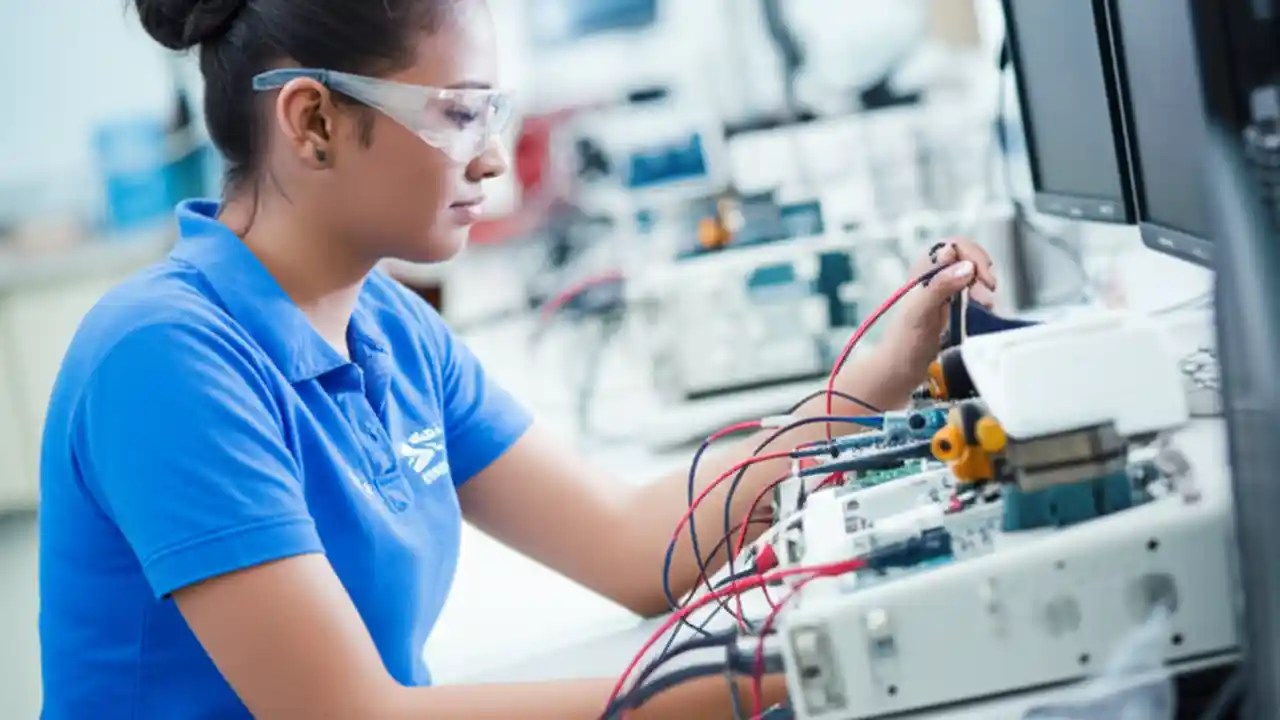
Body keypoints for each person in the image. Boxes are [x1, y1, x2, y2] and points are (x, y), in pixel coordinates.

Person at [36, 1, 998, 718]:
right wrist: (806, 667)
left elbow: (633, 547)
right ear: (312, 121)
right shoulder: (165, 360)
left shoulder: (387, 327)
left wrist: (873, 375)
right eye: (459, 115)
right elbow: (352, 717)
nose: (493, 160)